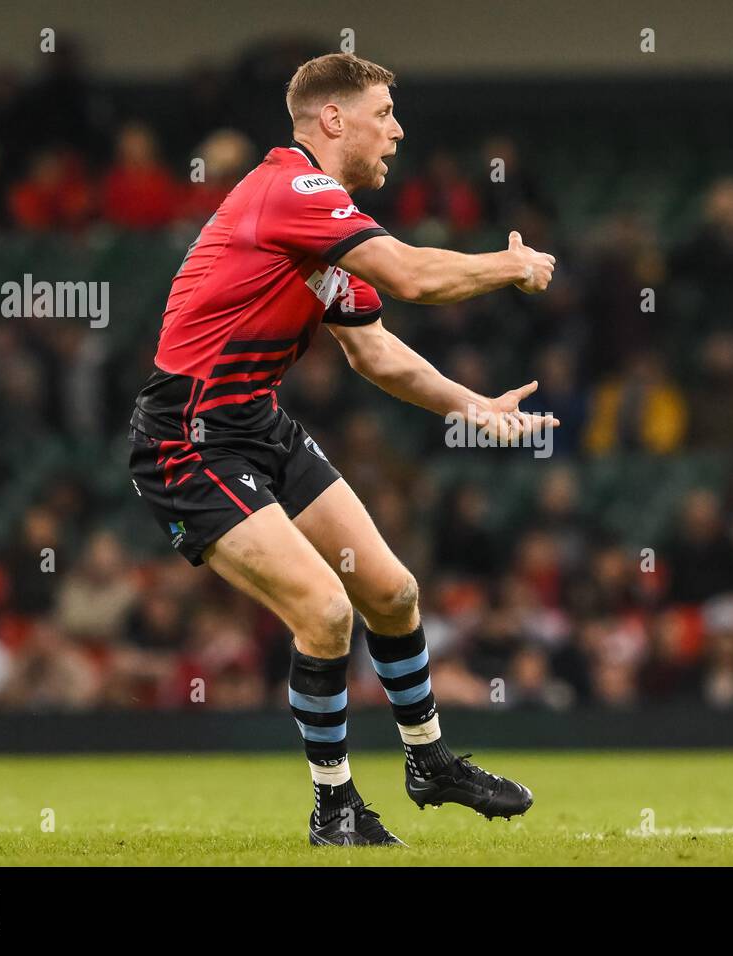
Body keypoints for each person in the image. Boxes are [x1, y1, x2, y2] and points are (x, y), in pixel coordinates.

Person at [127, 53, 557, 846]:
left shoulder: (320, 225)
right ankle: (336, 810)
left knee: (391, 592)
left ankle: (429, 762)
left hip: (256, 423)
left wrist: (472, 403)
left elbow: (377, 354)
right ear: (334, 119)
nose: (396, 130)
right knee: (325, 612)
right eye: (383, 112)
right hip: (189, 438)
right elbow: (414, 277)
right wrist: (511, 264)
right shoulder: (293, 189)